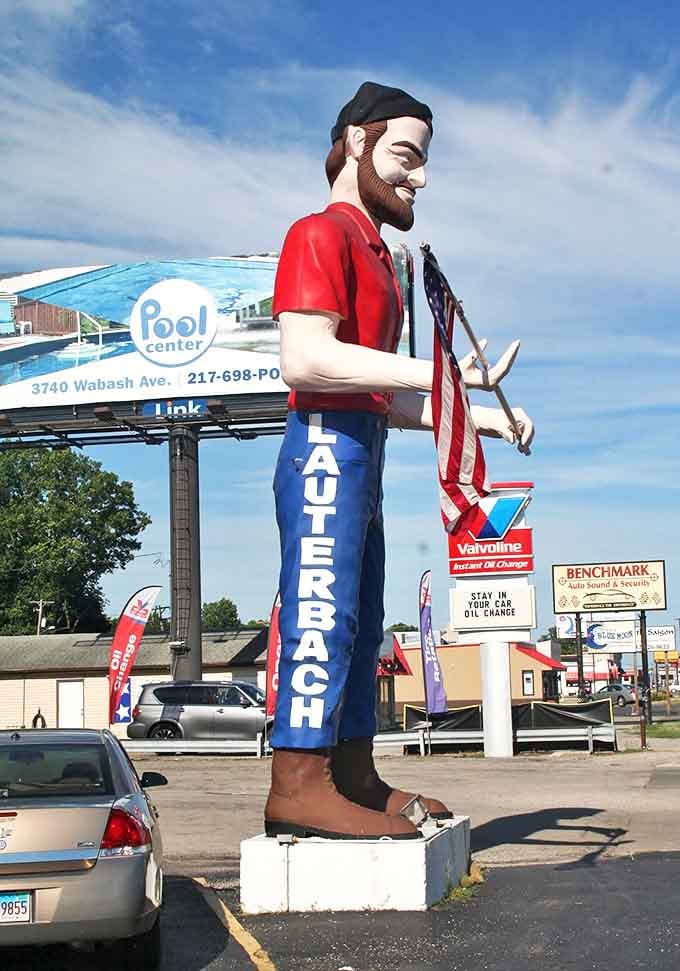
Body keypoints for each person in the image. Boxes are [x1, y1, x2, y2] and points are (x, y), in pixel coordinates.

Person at [265, 81, 534, 840]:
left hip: (364, 452)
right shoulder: (319, 233)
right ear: (357, 141)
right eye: (406, 155)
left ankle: (348, 771)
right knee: (322, 610)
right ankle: (298, 780)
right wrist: (447, 376)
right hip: (323, 450)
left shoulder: (380, 257)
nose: (419, 176)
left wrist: (480, 417)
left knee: (358, 620)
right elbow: (308, 359)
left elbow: (385, 391)